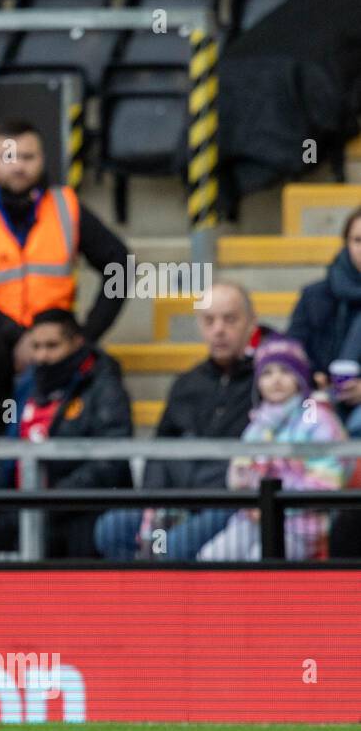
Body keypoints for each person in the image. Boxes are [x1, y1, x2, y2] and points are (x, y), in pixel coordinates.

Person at [0, 119, 130, 434]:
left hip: (58, 339)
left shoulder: (65, 206)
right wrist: (16, 335)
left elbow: (119, 261)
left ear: (42, 160)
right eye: (7, 157)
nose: (18, 167)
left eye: (27, 157)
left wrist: (87, 333)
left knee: (104, 369)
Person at [95, 282, 270, 560]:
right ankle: (139, 601)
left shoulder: (267, 382)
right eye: (209, 320)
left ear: (251, 323)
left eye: (230, 319)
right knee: (111, 528)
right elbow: (160, 448)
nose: (219, 330)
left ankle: (175, 601)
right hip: (176, 499)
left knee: (175, 545)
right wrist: (153, 501)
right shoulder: (186, 384)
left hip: (230, 502)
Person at [0, 309, 133, 558]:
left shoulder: (104, 385)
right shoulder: (28, 384)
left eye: (52, 346)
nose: (42, 356)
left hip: (80, 509)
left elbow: (110, 462)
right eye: (36, 346)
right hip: (27, 505)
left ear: (77, 343)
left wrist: (48, 499)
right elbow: (8, 456)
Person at [198, 337, 348, 561]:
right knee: (210, 559)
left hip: (302, 529)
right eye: (267, 373)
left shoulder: (319, 420)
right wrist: (252, 501)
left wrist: (273, 506)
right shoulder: (257, 424)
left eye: (285, 371)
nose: (276, 379)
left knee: (260, 561)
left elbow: (326, 484)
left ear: (299, 377)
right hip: (251, 521)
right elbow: (238, 478)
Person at [286, 205, 361, 434]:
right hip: (316, 399)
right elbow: (291, 351)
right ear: (346, 244)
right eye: (358, 240)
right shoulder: (315, 296)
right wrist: (312, 377)